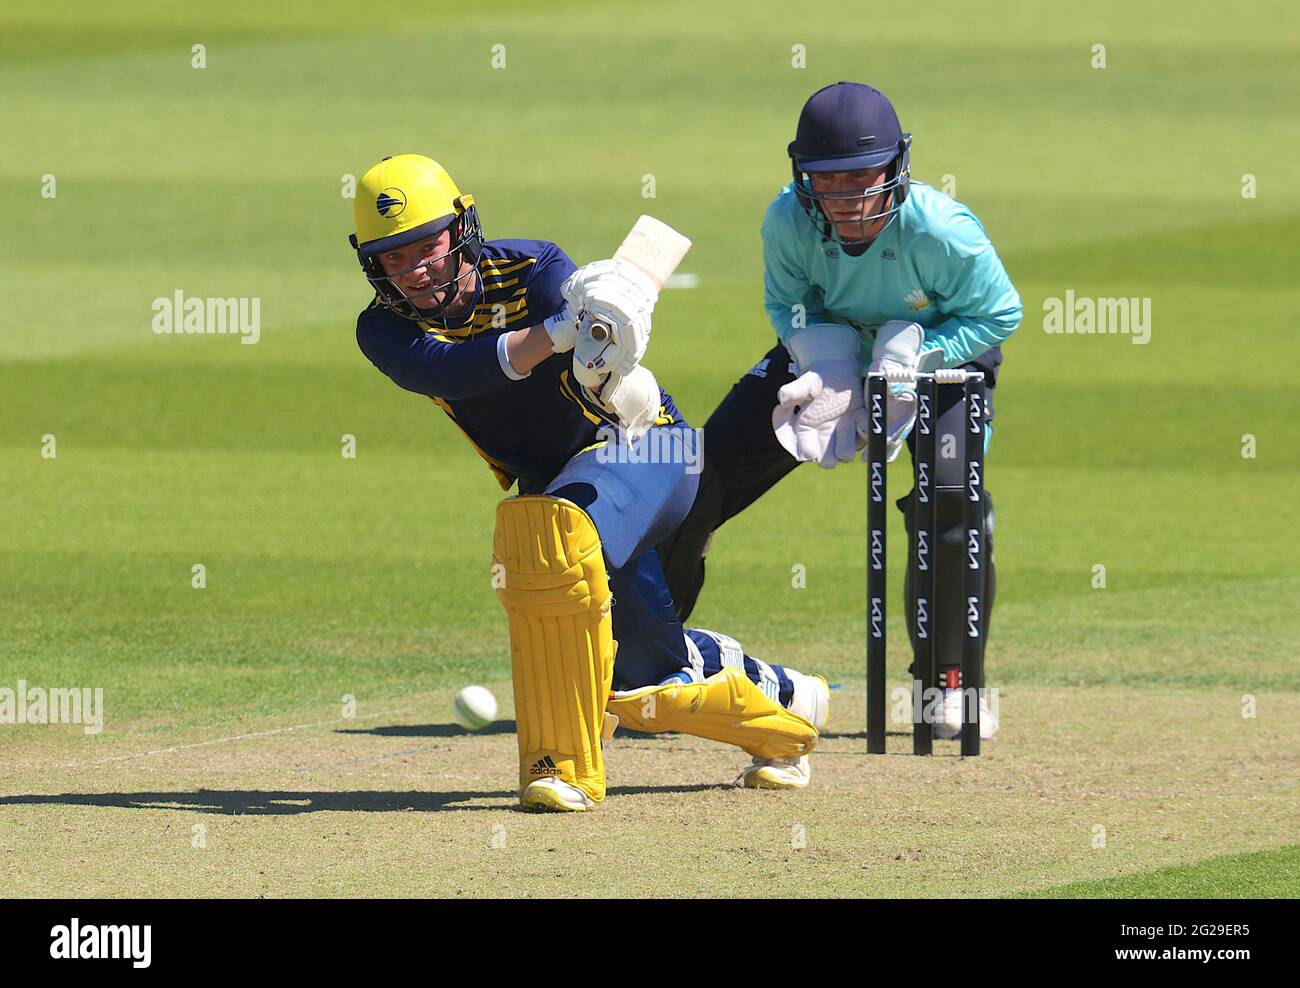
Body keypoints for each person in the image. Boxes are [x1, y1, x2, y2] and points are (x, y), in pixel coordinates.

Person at [348, 154, 830, 811]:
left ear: (462, 228)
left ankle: (562, 768)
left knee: (551, 542)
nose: (414, 270)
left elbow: (600, 350)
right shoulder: (383, 327)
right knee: (646, 679)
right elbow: (454, 371)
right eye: (392, 259)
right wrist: (554, 333)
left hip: (646, 447)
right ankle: (783, 711)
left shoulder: (535, 269)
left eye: (424, 246)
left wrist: (611, 353)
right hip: (563, 489)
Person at [658, 83, 1022, 740]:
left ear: (897, 166)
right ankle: (648, 670)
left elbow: (998, 314)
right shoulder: (787, 221)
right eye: (829, 181)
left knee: (950, 501)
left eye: (863, 176)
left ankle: (949, 684)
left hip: (941, 355)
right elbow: (788, 305)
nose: (849, 197)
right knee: (690, 481)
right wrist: (824, 361)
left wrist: (915, 359)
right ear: (803, 178)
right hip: (829, 351)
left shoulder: (940, 230)